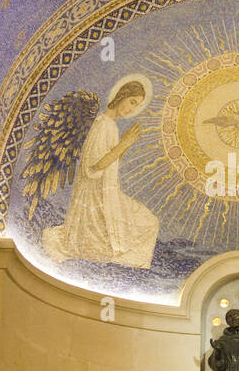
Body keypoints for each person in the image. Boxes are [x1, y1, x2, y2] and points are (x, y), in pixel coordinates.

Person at [42, 79, 158, 267]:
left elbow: (111, 163)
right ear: (122, 96)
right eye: (132, 102)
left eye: (136, 105)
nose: (131, 109)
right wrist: (125, 143)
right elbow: (94, 167)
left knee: (149, 222)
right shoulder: (103, 124)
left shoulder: (111, 125)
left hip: (107, 192)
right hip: (95, 196)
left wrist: (125, 145)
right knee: (148, 223)